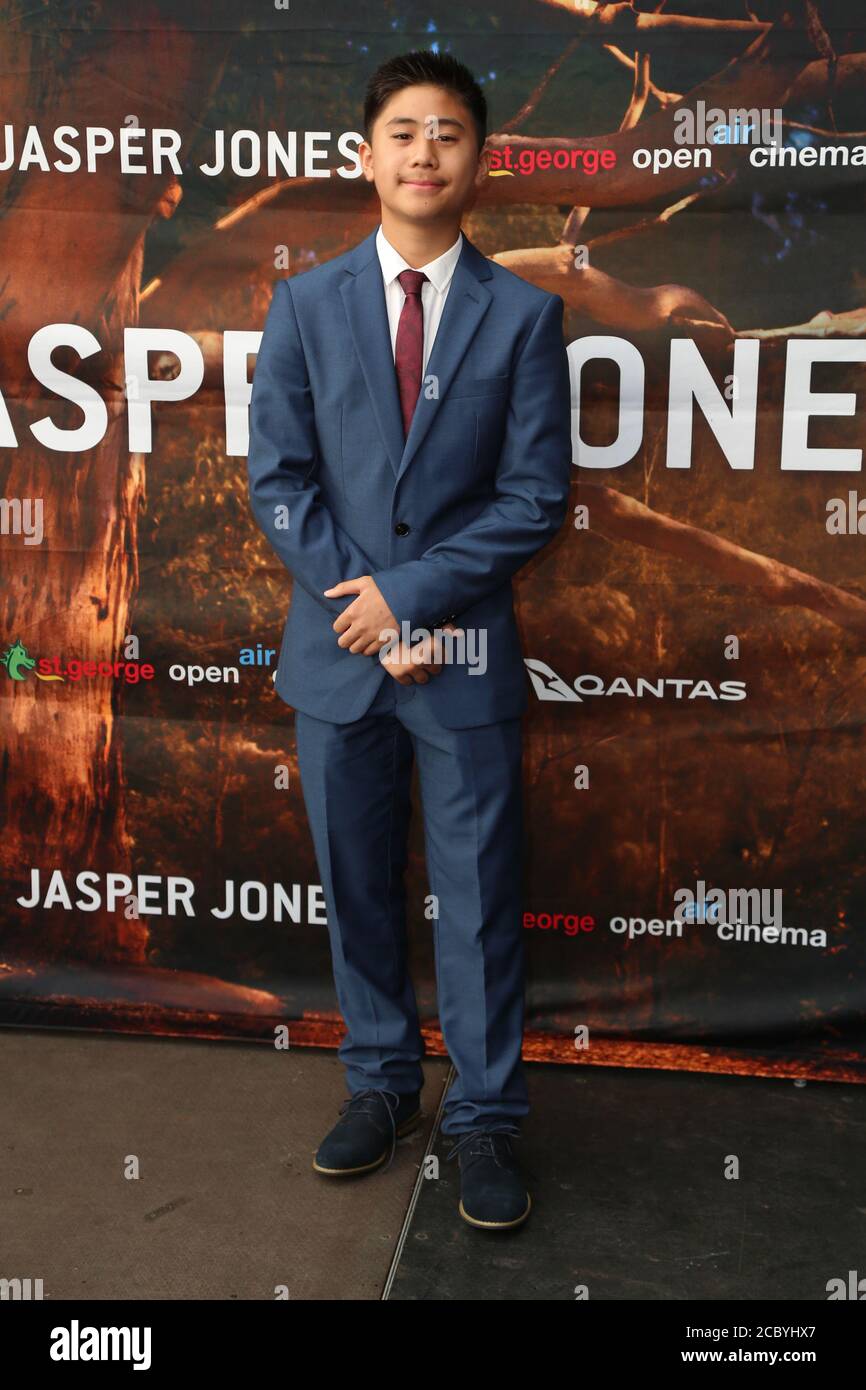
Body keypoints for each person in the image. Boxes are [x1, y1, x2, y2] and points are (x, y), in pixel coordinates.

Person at [247, 48, 572, 1230]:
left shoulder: (527, 316)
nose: (423, 151)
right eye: (402, 130)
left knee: (479, 900)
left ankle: (484, 1121)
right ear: (365, 155)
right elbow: (277, 482)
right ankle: (380, 1084)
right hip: (338, 661)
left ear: (478, 160)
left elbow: (532, 498)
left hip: (463, 661)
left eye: (446, 132)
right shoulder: (303, 304)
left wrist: (415, 601)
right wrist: (364, 609)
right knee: (358, 888)